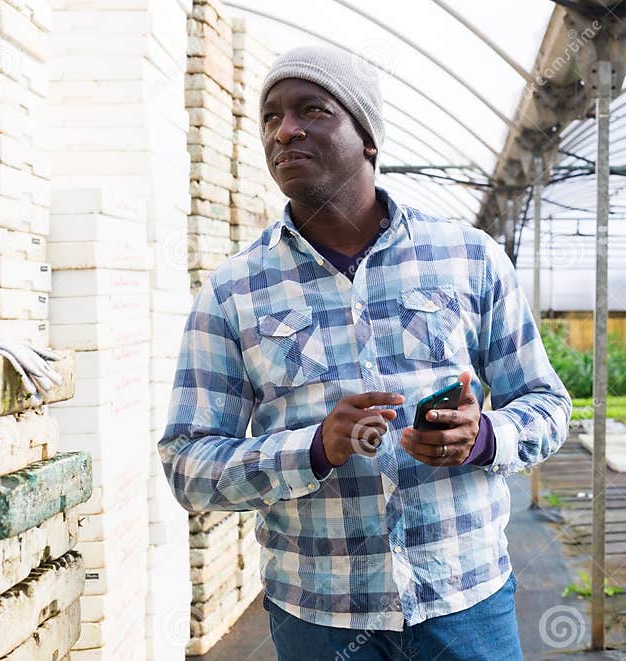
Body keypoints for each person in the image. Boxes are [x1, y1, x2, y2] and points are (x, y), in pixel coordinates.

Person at [158, 44, 572, 661]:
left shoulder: (469, 258)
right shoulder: (232, 291)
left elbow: (547, 404)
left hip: (466, 602)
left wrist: (484, 437)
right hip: (318, 617)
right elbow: (188, 465)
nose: (285, 129)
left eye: (312, 110)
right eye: (270, 117)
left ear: (368, 139)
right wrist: (313, 448)